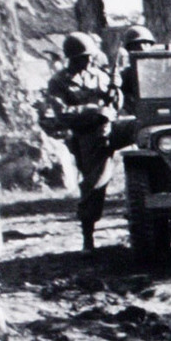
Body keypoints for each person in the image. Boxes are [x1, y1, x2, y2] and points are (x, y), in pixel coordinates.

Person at [37, 32, 118, 252]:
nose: (89, 60)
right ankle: (88, 236)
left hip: (110, 129)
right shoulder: (58, 82)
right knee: (93, 184)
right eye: (84, 57)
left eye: (91, 56)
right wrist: (94, 111)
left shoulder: (100, 76)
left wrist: (115, 94)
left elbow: (115, 103)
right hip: (86, 136)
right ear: (72, 58)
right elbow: (62, 114)